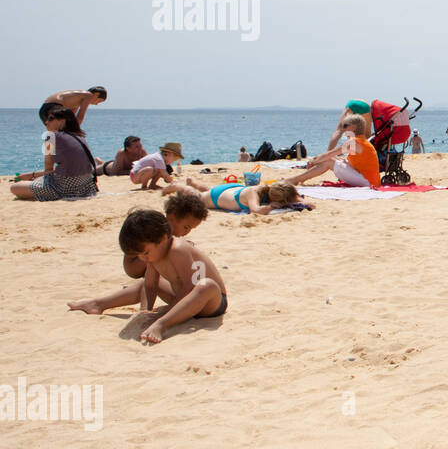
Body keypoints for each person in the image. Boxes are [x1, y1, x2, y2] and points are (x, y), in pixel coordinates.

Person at [67, 209, 227, 344]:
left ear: (163, 239)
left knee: (206, 285)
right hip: (182, 301)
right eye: (140, 255)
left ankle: (162, 325)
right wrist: (146, 310)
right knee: (141, 284)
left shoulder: (178, 249)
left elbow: (189, 286)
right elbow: (151, 286)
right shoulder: (154, 256)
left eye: (145, 253)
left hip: (210, 304)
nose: (143, 259)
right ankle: (98, 304)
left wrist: (164, 314)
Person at [10, 108, 98, 200]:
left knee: (15, 188)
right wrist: (32, 175)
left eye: (51, 119)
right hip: (86, 186)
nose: (46, 122)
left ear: (63, 120)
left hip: (64, 187)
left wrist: (30, 175)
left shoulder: (50, 137)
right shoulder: (79, 136)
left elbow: (48, 169)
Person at [288, 115, 380, 187]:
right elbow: (333, 155)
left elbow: (329, 154)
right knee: (330, 159)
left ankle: (297, 179)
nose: (343, 129)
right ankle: (300, 178)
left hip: (367, 182)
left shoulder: (353, 142)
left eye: (345, 126)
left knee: (328, 161)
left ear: (353, 127)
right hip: (369, 180)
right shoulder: (362, 141)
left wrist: (313, 161)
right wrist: (317, 159)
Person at [169, 177, 312, 214]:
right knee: (198, 196)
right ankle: (179, 185)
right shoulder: (253, 193)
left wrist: (303, 202)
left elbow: (294, 196)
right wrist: (269, 208)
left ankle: (193, 181)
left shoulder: (271, 190)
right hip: (217, 197)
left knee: (209, 188)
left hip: (233, 190)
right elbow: (255, 210)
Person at [39, 86, 107, 127]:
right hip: (54, 107)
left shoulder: (77, 100)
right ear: (96, 94)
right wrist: (76, 131)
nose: (97, 104)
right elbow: (81, 115)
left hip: (44, 110)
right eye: (99, 101)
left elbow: (72, 119)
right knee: (67, 131)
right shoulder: (88, 95)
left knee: (59, 132)